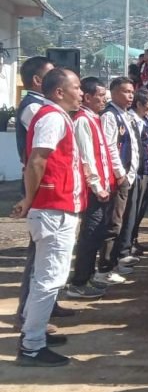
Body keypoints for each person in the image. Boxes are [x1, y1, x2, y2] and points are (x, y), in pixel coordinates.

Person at [12, 68, 84, 366]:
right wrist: (30, 199)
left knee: (46, 276)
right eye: (76, 87)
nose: (81, 93)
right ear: (59, 92)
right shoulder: (52, 117)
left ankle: (34, 332)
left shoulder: (56, 116)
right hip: (53, 209)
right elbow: (37, 160)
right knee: (49, 279)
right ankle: (32, 345)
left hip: (57, 207)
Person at [13, 57, 71, 331]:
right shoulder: (39, 110)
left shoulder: (47, 109)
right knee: (40, 262)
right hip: (44, 194)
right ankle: (28, 319)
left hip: (50, 192)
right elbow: (38, 157)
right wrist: (29, 197)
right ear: (39, 81)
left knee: (47, 264)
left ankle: (43, 310)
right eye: (51, 74)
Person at [66, 77, 116, 300]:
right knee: (90, 234)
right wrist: (96, 185)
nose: (104, 100)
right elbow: (86, 157)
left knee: (97, 233)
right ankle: (79, 282)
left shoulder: (95, 118)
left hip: (102, 187)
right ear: (87, 97)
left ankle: (88, 275)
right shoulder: (82, 121)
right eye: (101, 95)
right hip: (93, 191)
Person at [97, 77, 139, 285]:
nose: (130, 95)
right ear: (113, 93)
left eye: (132, 91)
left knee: (121, 222)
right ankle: (104, 268)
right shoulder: (110, 116)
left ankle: (115, 262)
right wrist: (120, 174)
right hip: (118, 179)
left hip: (128, 176)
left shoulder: (126, 115)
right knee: (113, 223)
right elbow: (110, 147)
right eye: (125, 91)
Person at [127, 89, 148, 256]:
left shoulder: (144, 119)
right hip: (138, 170)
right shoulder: (131, 120)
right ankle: (127, 243)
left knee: (142, 206)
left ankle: (134, 239)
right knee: (134, 207)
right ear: (138, 104)